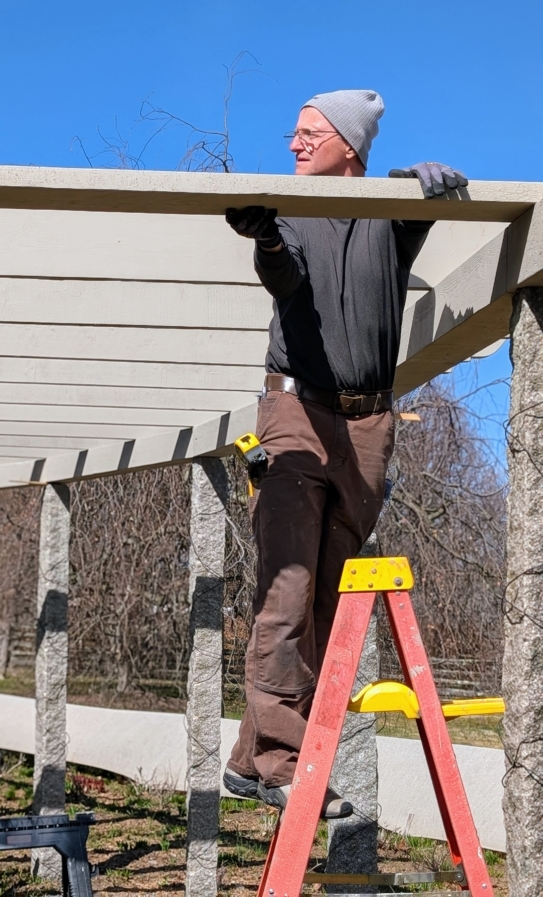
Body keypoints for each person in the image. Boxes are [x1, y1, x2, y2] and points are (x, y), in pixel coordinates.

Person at [222, 89, 467, 818]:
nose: (292, 144)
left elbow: (432, 201)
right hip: (295, 412)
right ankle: (277, 764)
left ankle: (251, 762)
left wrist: (436, 181)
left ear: (349, 144)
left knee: (325, 601)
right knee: (287, 589)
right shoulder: (288, 211)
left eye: (307, 133)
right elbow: (284, 279)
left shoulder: (390, 213)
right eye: (293, 133)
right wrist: (264, 239)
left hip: (367, 427)